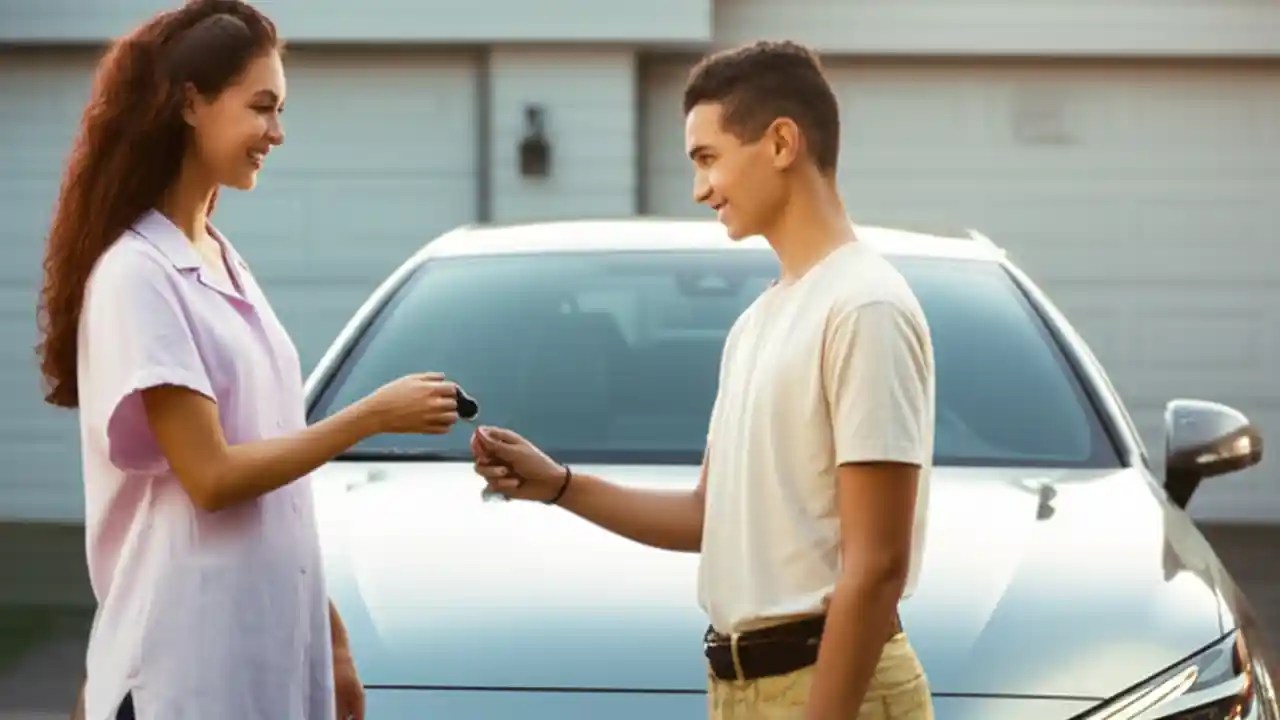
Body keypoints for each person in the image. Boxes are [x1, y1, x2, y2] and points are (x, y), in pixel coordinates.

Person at [471, 40, 936, 719]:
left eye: (708, 158)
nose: (700, 189)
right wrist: (560, 486)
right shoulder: (757, 323)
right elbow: (707, 518)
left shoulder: (864, 306)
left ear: (781, 142)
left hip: (830, 690)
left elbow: (876, 568)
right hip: (740, 692)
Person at [35, 2, 461, 718]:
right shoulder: (139, 274)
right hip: (183, 667)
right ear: (191, 104)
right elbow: (212, 475)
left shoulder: (221, 260)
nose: (277, 132)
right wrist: (368, 417)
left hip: (262, 656)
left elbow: (279, 491)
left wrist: (334, 643)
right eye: (261, 107)